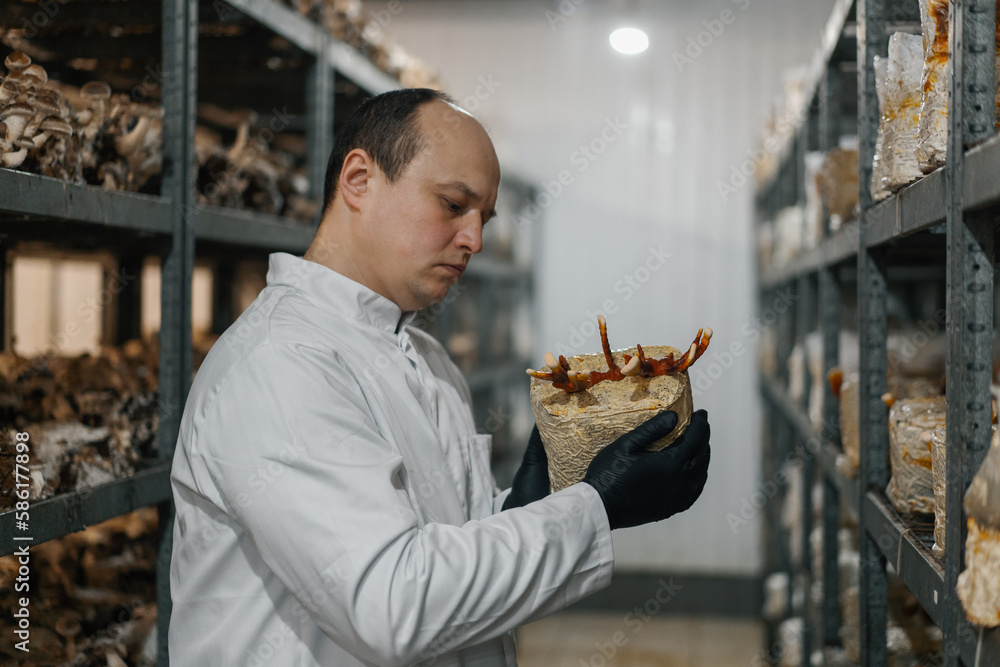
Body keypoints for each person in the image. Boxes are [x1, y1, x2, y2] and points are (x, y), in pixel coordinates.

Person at [168, 88, 711, 666]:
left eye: (483, 218)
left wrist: (524, 507)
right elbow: (393, 604)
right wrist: (595, 507)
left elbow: (445, 552)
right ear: (358, 180)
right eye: (454, 205)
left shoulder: (425, 358)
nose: (474, 240)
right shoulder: (278, 365)